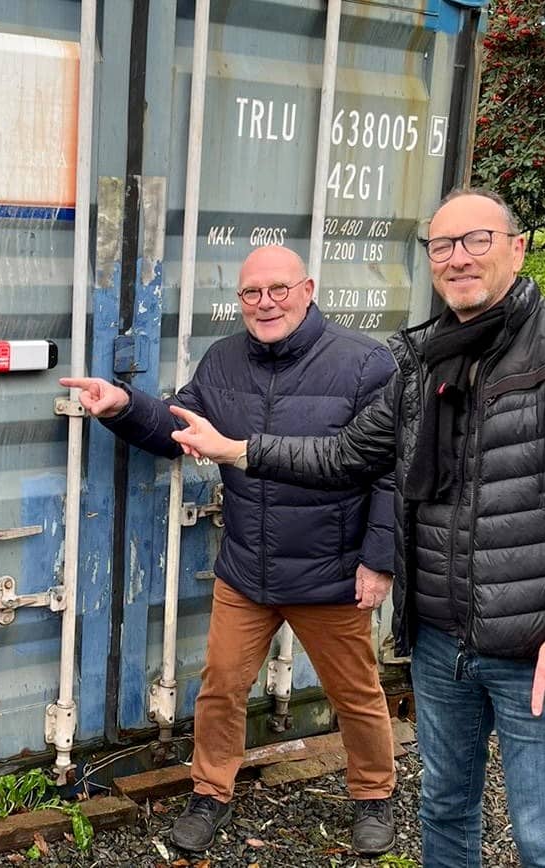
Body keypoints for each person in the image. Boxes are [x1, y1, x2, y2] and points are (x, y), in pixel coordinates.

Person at [167, 189, 545, 867]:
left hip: (535, 639)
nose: (458, 258)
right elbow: (348, 456)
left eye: (476, 241)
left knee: (543, 837)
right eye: (442, 246)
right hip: (439, 639)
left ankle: (378, 796)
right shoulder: (421, 361)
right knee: (445, 812)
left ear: (517, 248)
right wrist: (238, 451)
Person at [61, 244, 399, 855]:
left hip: (332, 570)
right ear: (239, 300)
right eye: (251, 293)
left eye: (278, 289)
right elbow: (180, 429)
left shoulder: (364, 364)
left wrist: (380, 561)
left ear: (308, 288)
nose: (264, 303)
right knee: (220, 686)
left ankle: (374, 794)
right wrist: (123, 406)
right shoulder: (224, 362)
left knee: (355, 690)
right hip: (247, 567)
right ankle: (210, 791)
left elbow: (390, 472)